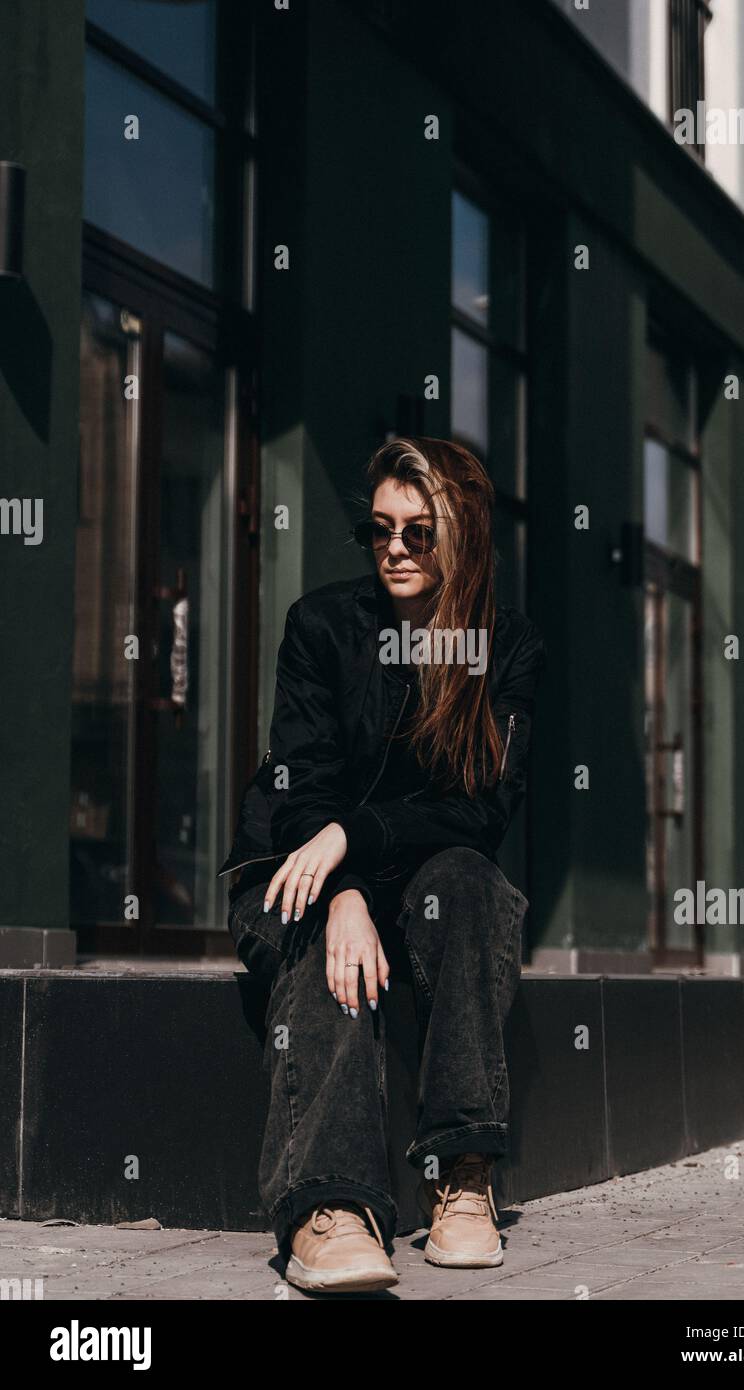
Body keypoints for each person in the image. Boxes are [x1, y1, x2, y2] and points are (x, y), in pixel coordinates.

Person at [218, 436, 545, 1294]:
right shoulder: (323, 626)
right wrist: (347, 889)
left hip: (414, 874)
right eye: (380, 530)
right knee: (326, 942)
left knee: (473, 882)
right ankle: (329, 1208)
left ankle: (464, 1175)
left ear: (462, 533)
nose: (395, 547)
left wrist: (355, 845)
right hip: (293, 863)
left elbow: (479, 811)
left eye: (419, 531)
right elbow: (301, 785)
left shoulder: (503, 651)